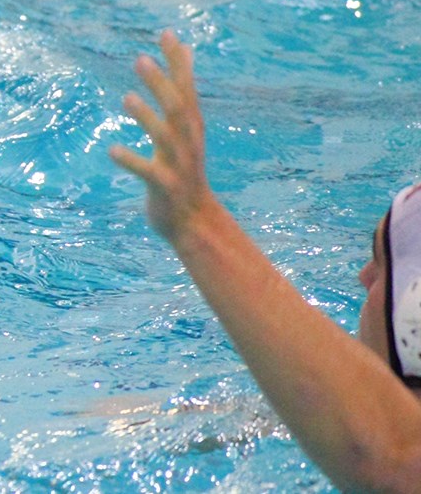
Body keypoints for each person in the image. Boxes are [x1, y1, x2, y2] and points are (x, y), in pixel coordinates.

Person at [111, 30, 421, 492]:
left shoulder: (389, 453)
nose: (363, 277)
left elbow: (389, 457)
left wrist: (195, 219)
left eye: (380, 263)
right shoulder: (304, 418)